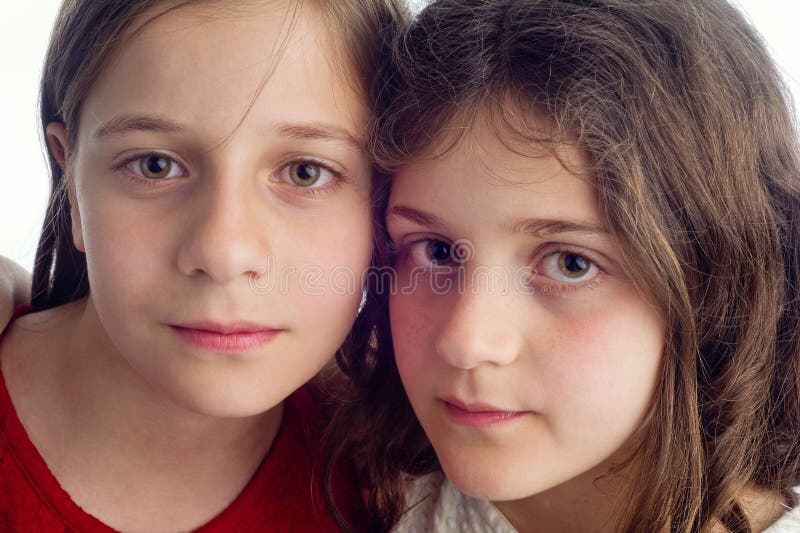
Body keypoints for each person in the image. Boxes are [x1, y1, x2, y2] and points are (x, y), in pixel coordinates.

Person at [327, 0, 800, 531]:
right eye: (435, 251)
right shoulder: (349, 483)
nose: (465, 341)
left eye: (571, 263)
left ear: (722, 282)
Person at [0, 0, 405, 531]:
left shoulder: (401, 472)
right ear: (71, 182)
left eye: (305, 172)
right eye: (155, 165)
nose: (223, 253)